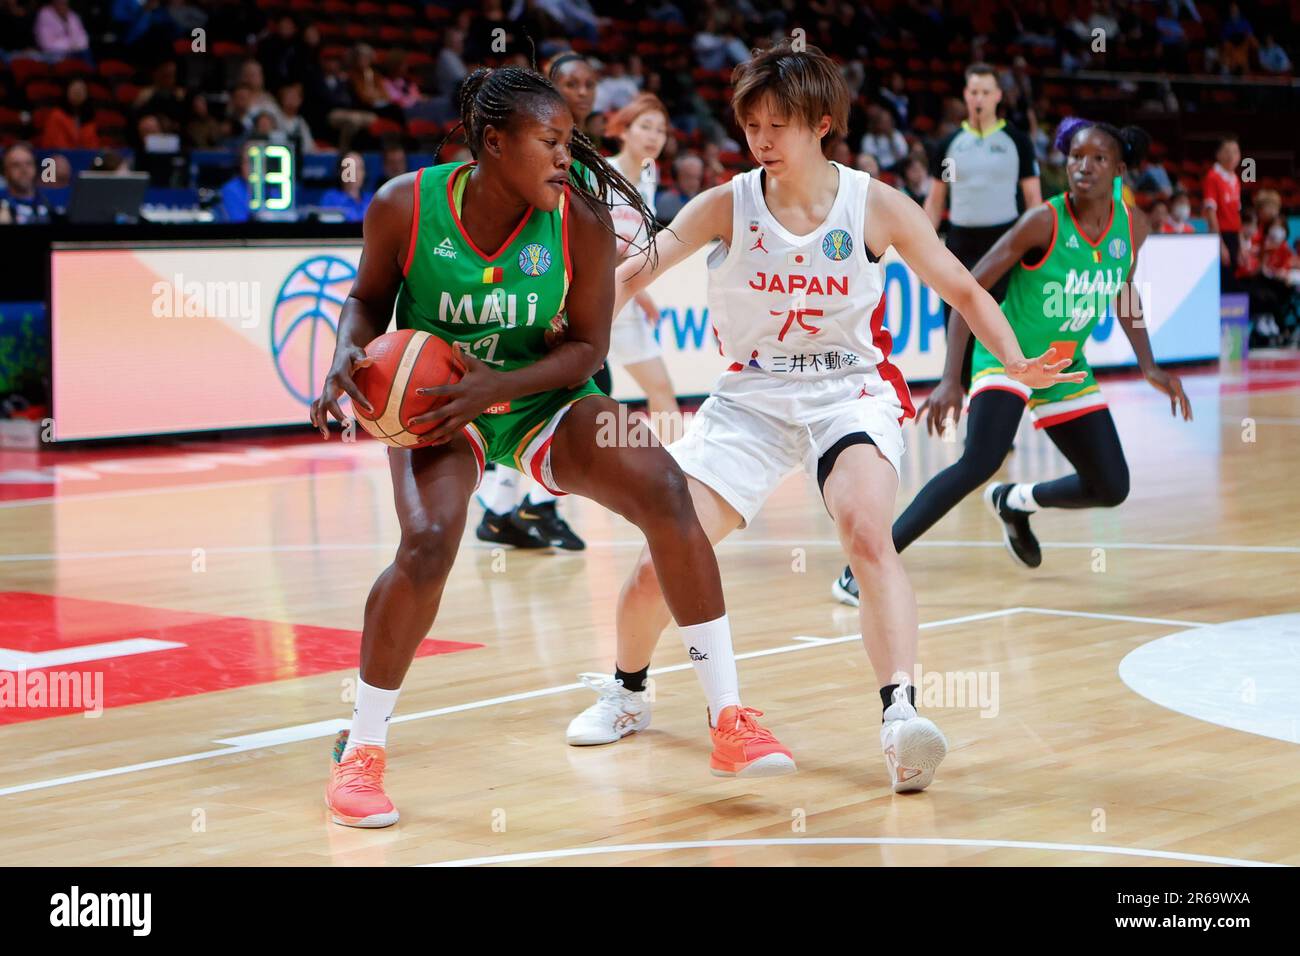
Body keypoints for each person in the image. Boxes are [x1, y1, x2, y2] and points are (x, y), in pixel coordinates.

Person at [565, 43, 1081, 794]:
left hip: (849, 391)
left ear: (824, 124)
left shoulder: (875, 205)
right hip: (750, 400)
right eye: (752, 125)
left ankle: (901, 721)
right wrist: (555, 324)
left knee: (868, 532)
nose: (763, 139)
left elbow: (966, 291)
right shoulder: (726, 202)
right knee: (659, 558)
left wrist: (1012, 362)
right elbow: (634, 271)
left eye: (779, 123)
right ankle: (629, 692)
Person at [312, 65, 795, 827]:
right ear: (493, 143)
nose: (567, 156)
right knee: (430, 541)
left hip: (544, 392)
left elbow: (589, 347)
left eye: (569, 140)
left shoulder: (582, 219)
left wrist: (497, 385)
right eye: (550, 141)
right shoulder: (404, 204)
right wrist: (347, 349)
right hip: (441, 403)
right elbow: (367, 299)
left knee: (668, 492)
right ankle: (361, 753)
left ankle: (730, 718)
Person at [839, 119, 1190, 605]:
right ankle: (861, 567)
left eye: (1098, 159)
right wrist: (950, 378)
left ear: (1120, 170)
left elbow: (1125, 293)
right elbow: (967, 291)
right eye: (1075, 158)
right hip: (1007, 355)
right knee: (979, 461)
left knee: (1111, 485)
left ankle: (1015, 502)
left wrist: (1149, 366)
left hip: (1065, 365)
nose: (1083, 167)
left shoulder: (1134, 227)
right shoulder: (1043, 221)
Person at [606, 93, 681, 441]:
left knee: (661, 387)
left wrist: (641, 293)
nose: (654, 136)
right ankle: (509, 490)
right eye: (645, 126)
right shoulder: (603, 174)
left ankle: (679, 469)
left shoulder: (649, 178)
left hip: (624, 297)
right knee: (572, 397)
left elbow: (633, 249)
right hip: (590, 300)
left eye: (660, 130)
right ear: (623, 131)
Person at [1202, 137, 1242, 287]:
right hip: (1221, 236)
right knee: (1222, 282)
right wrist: (1219, 243)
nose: (1231, 156)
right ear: (1218, 154)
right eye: (1227, 151)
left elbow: (1236, 213)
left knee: (1233, 280)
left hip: (1234, 237)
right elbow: (1211, 212)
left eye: (1235, 152)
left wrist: (1242, 243)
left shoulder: (1235, 179)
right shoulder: (1213, 177)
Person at [0, 142, 53, 224]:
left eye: (29, 164)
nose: (24, 170)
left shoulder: (49, 205)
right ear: (5, 172)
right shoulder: (2, 206)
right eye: (16, 165)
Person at [40, 77, 99, 150]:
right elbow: (55, 144)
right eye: (74, 90)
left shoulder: (89, 118)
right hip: (61, 157)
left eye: (81, 90)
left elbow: (92, 145)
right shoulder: (56, 115)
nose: (78, 93)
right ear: (67, 92)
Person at [319, 151, 372, 222]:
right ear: (340, 172)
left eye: (359, 168)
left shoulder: (372, 200)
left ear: (364, 173)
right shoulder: (330, 199)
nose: (354, 173)